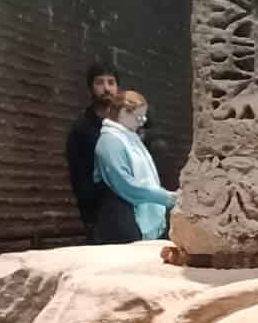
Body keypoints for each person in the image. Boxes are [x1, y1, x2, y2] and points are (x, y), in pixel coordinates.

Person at [93, 90, 177, 243]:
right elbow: (125, 184)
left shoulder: (129, 138)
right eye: (139, 116)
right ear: (123, 113)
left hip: (130, 214)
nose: (143, 121)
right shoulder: (110, 141)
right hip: (119, 218)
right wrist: (166, 197)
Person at [67, 61, 121, 241]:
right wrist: (90, 220)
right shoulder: (81, 128)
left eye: (111, 82)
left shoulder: (127, 125)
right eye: (100, 82)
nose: (106, 88)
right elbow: (79, 178)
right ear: (91, 88)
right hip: (100, 215)